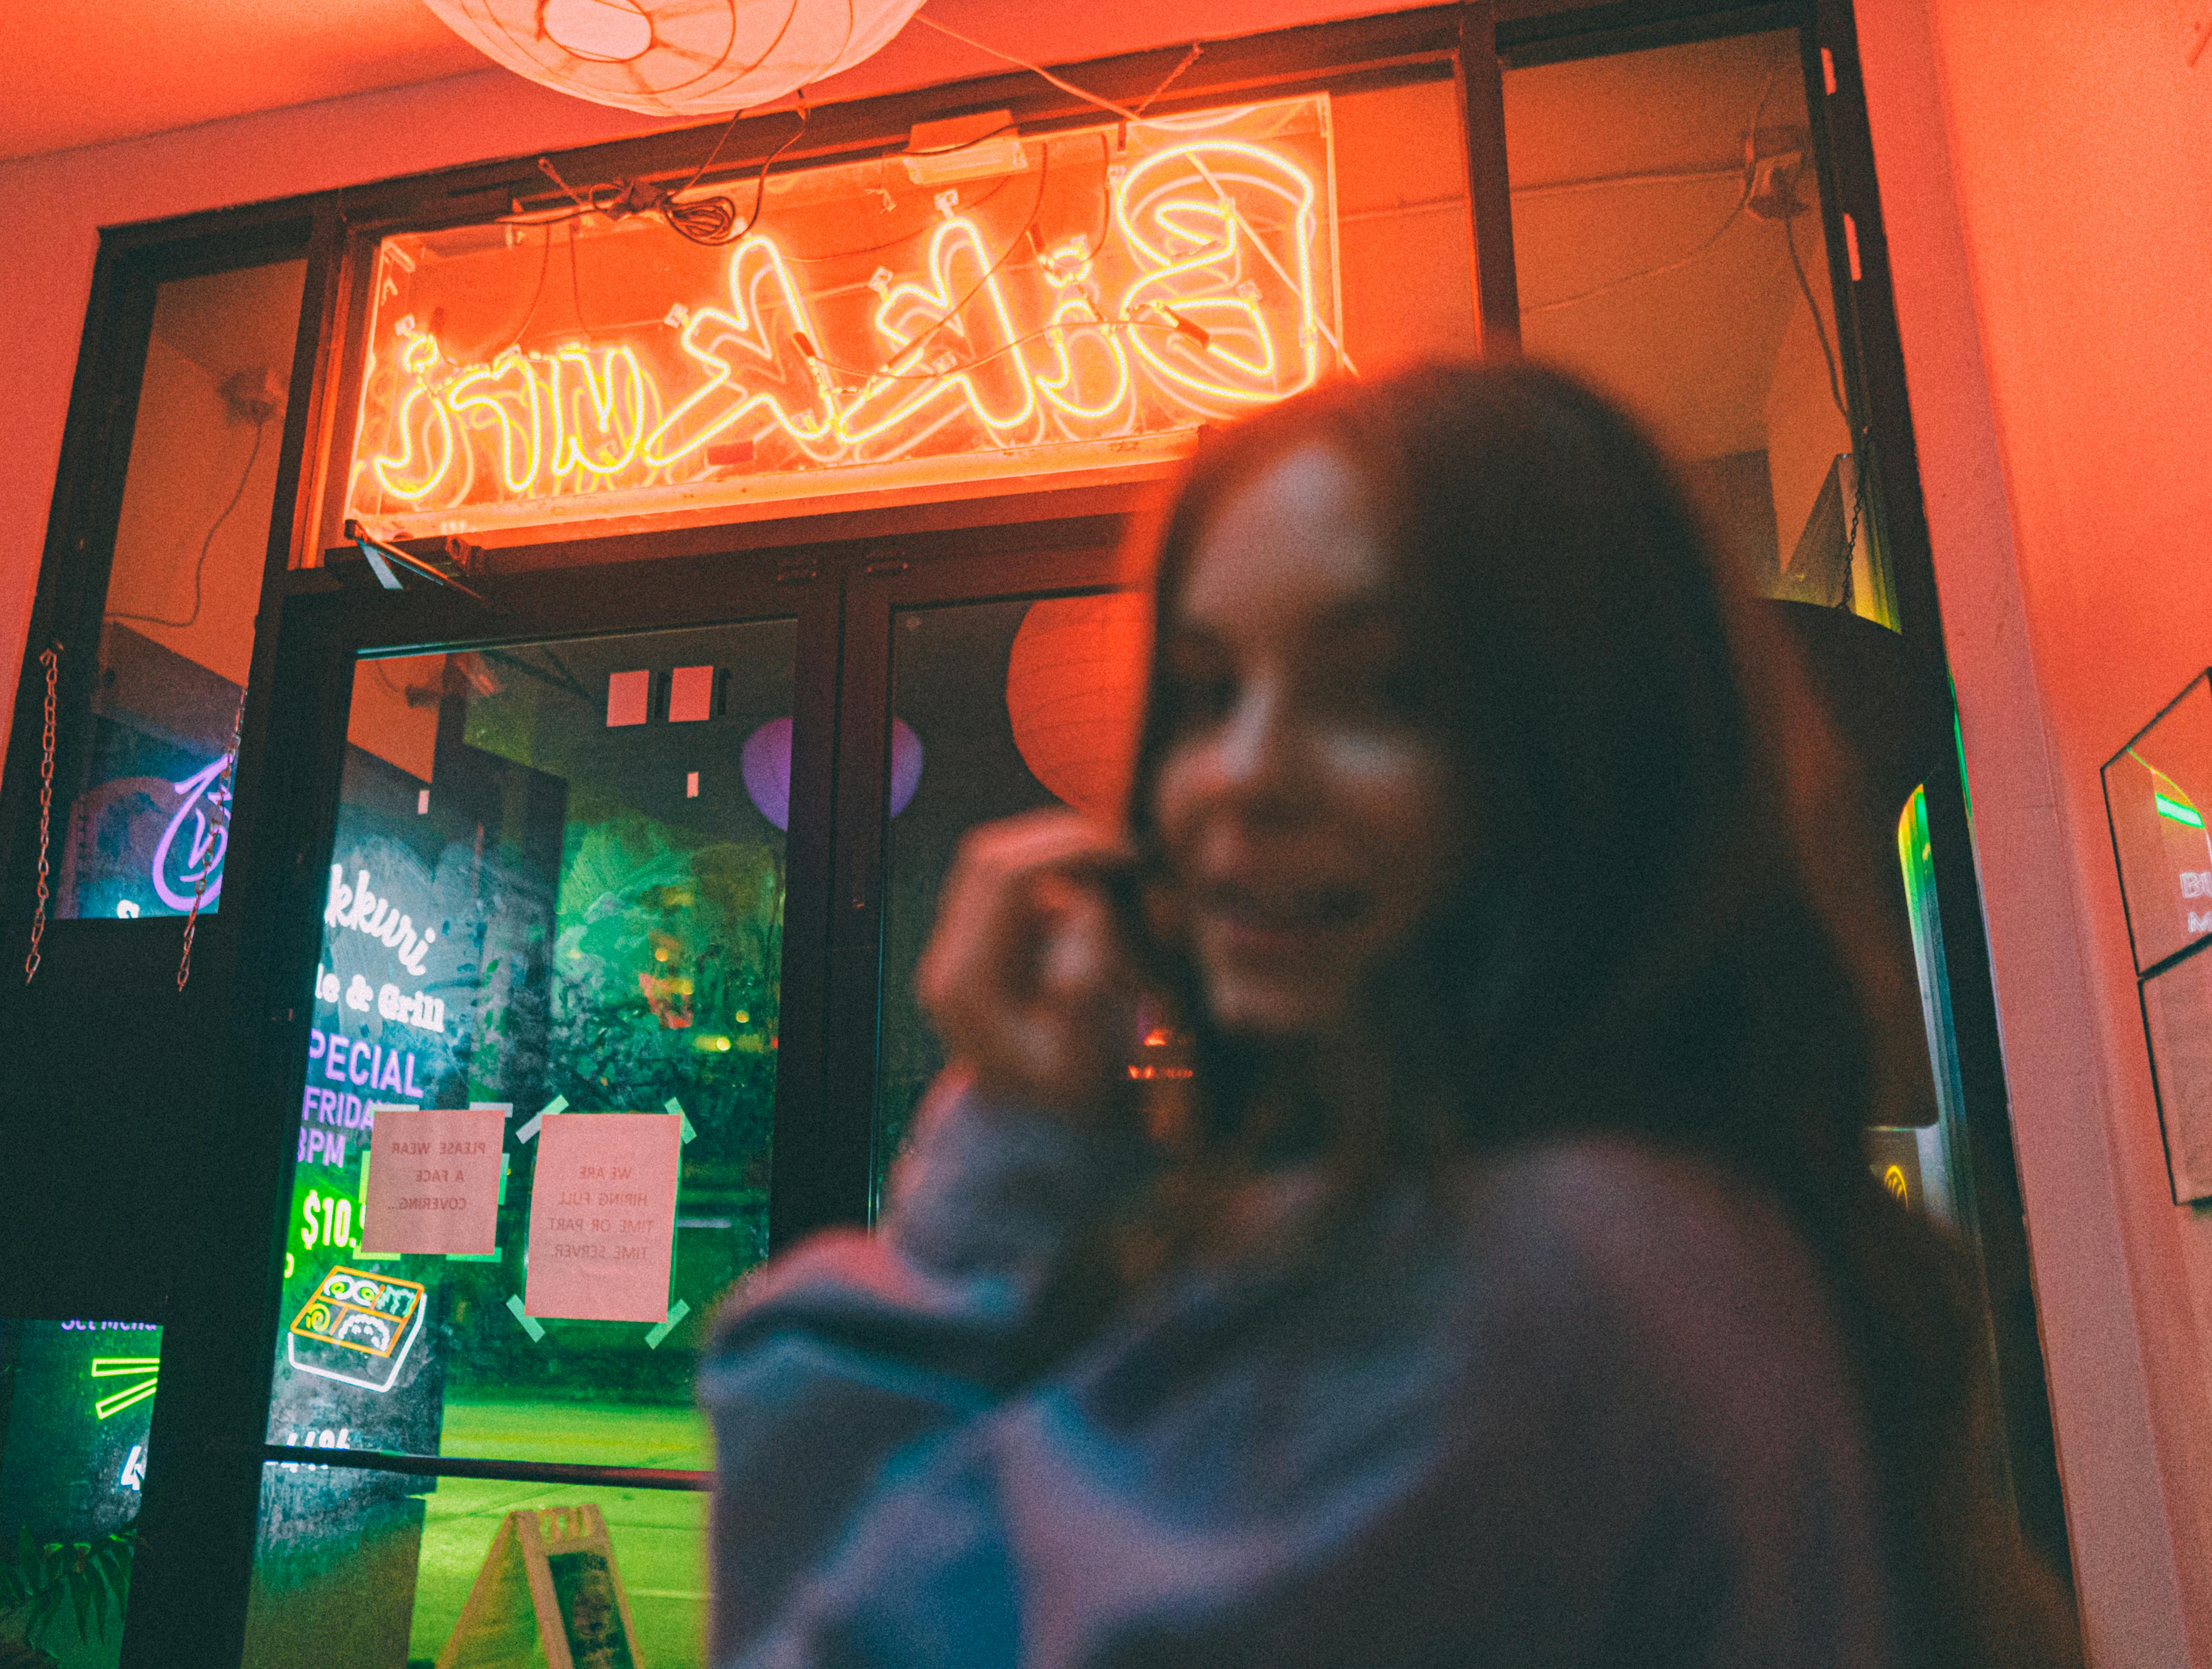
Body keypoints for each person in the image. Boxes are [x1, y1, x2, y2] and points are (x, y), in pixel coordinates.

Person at [698, 362, 2080, 1667]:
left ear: (1600, 752)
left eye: (1382, 690)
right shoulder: (1667, 1226)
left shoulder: (1529, 1293)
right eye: (1206, 694)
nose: (1240, 775)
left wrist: (993, 1185)